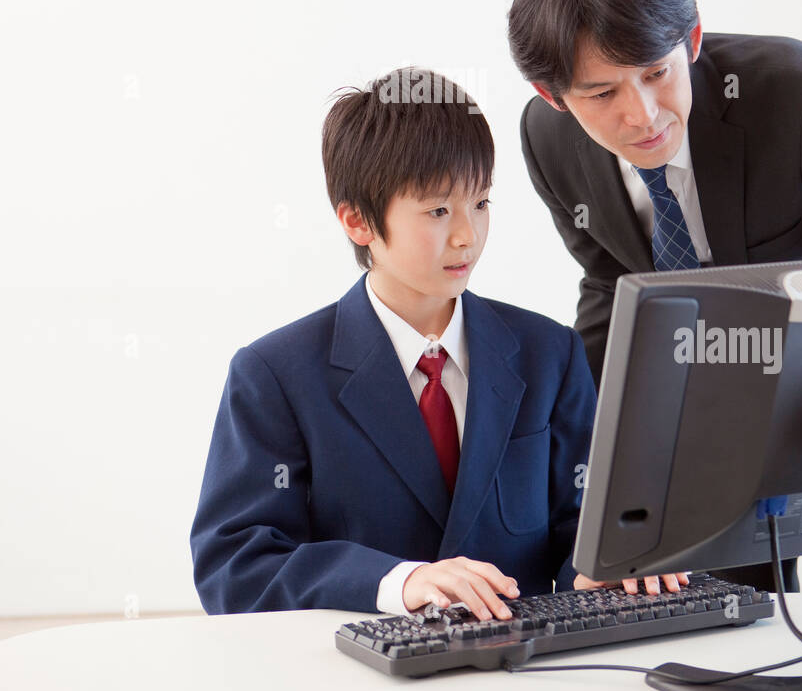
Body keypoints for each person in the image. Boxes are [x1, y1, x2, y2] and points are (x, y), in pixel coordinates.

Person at [190, 68, 680, 619]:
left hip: (526, 662)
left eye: (481, 203)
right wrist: (399, 581)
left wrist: (602, 566)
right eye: (438, 211)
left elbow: (578, 526)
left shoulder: (549, 354)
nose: (467, 235)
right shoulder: (276, 375)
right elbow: (234, 567)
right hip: (357, 666)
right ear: (357, 221)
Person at [507, 0, 802, 593]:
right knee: (725, 608)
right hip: (705, 408)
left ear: (692, 40)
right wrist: (598, 468)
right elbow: (611, 282)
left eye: (656, 73)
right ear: (552, 95)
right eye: (602, 94)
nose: (643, 116)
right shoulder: (547, 140)